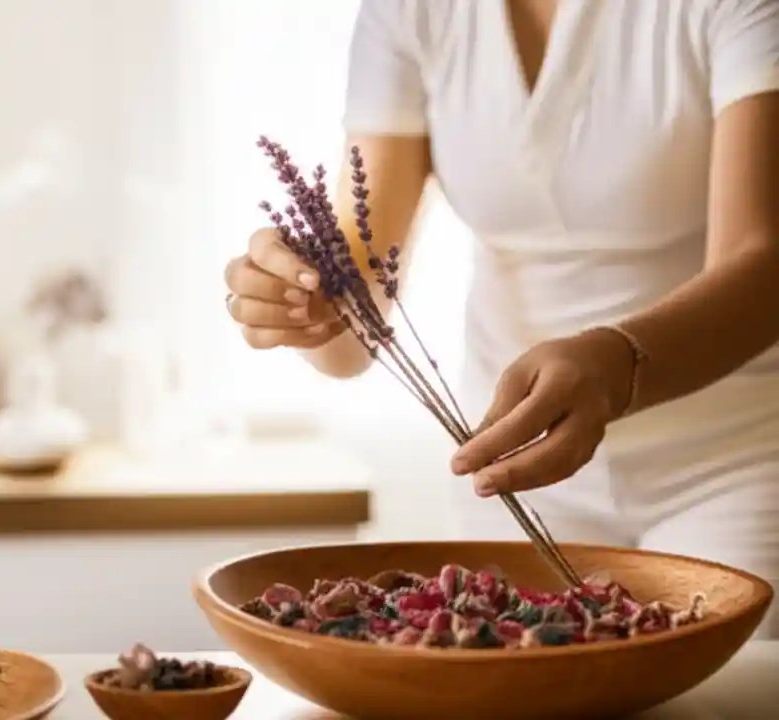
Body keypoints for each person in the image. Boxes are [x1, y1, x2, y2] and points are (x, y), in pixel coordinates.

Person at [223, 0, 779, 637]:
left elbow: (763, 263)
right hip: (513, 470)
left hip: (728, 468)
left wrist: (616, 363)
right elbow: (353, 319)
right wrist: (301, 298)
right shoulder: (410, 12)